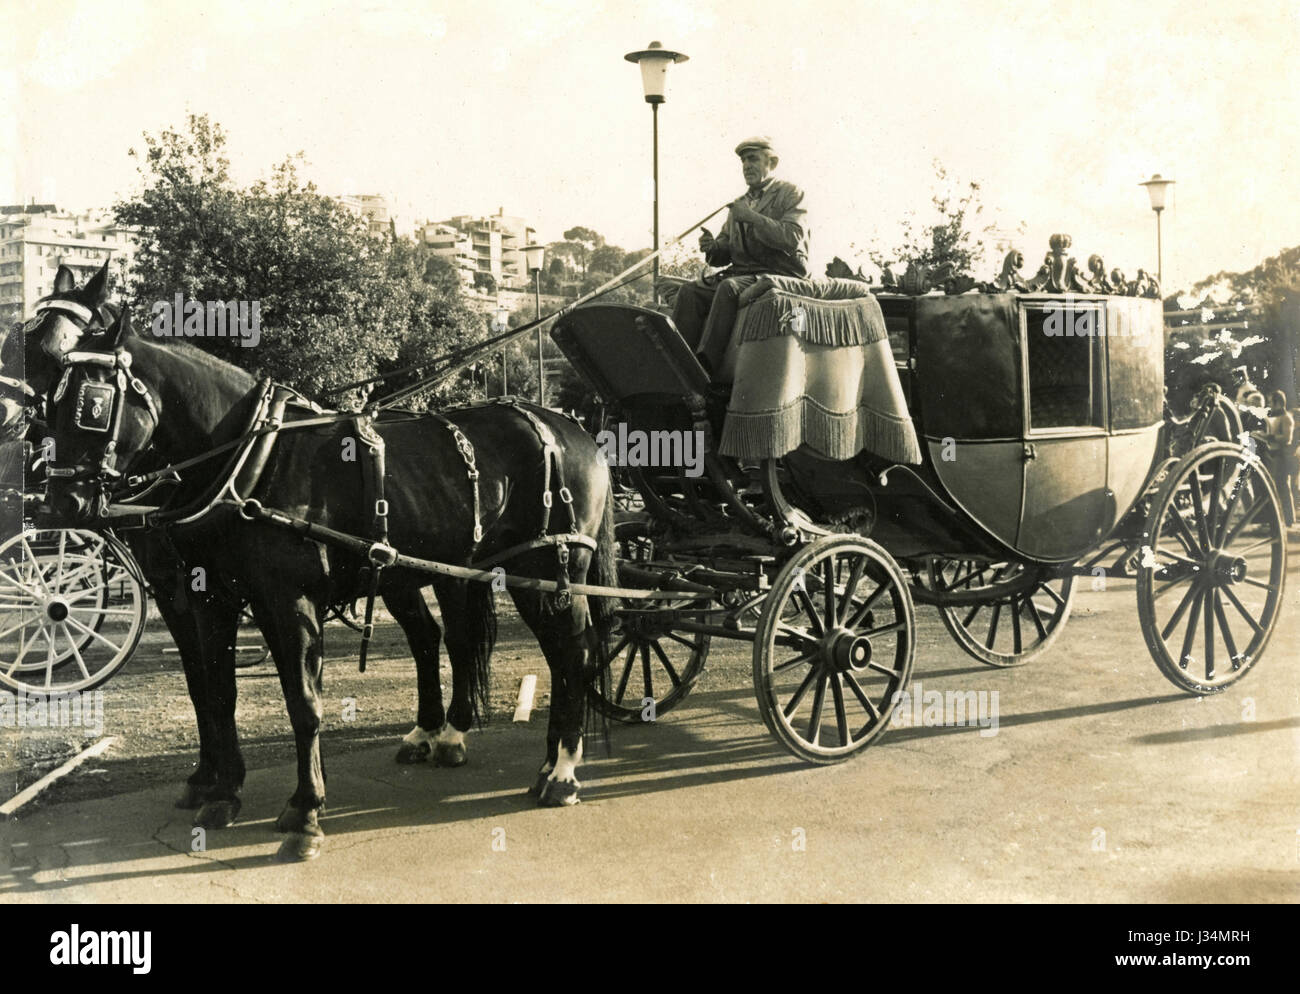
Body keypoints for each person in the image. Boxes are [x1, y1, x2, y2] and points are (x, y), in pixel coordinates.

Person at [671, 136, 811, 373]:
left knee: (729, 288)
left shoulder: (790, 193)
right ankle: (676, 362)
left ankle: (704, 366)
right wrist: (713, 247)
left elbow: (792, 238)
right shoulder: (740, 203)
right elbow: (726, 251)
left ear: (772, 163)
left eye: (753, 158)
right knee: (689, 291)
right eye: (743, 160)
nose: (746, 165)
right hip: (743, 274)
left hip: (780, 273)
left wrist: (751, 217)